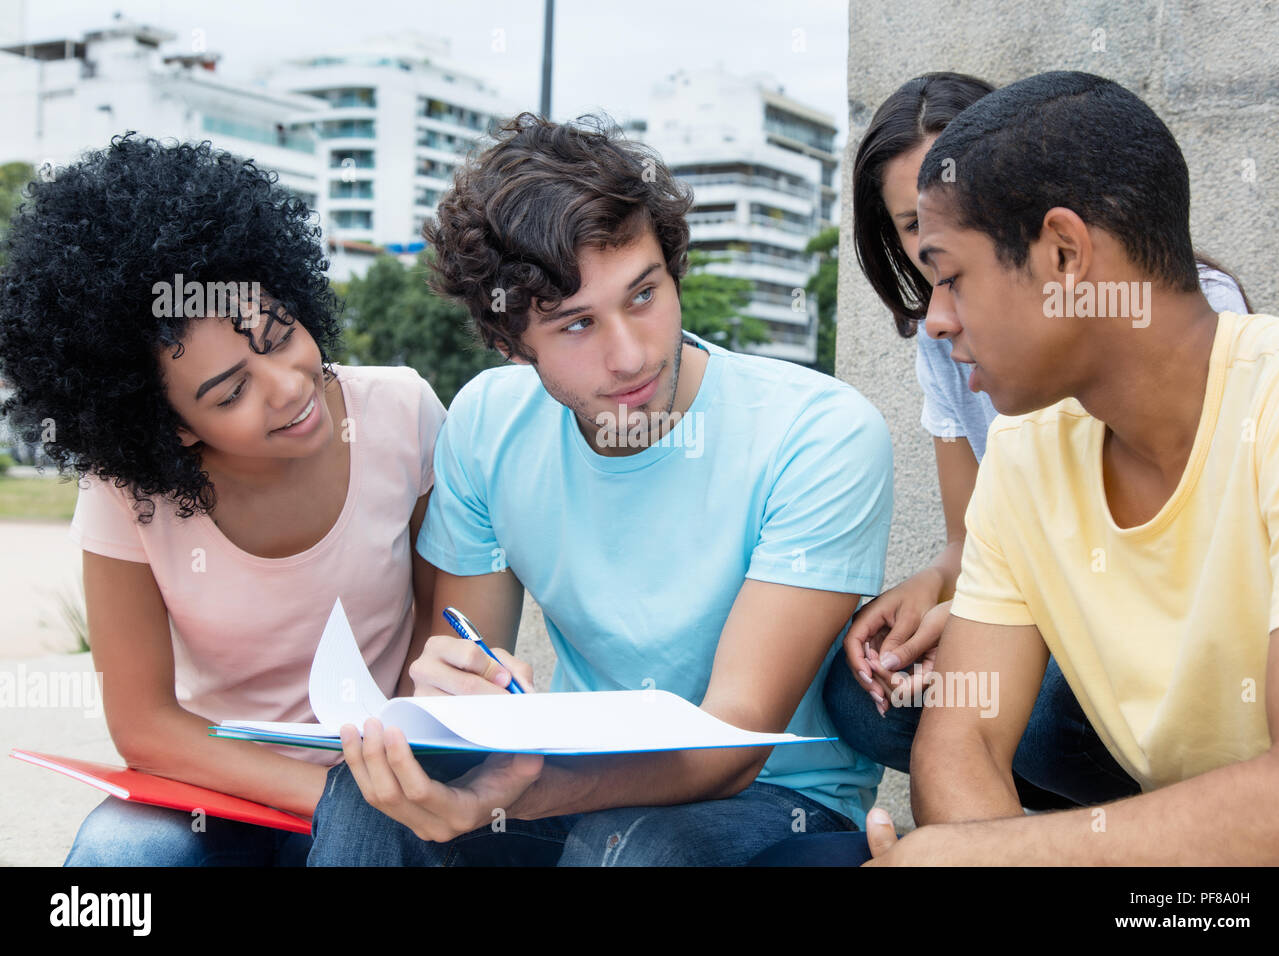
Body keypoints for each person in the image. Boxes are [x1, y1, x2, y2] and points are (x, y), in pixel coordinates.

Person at [304, 113, 895, 867]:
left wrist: (500, 795)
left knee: (631, 847)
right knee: (368, 801)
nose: (630, 356)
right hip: (576, 772)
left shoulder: (820, 433)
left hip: (775, 799)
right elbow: (465, 660)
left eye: (644, 295)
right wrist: (455, 696)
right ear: (511, 343)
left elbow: (732, 744)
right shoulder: (487, 423)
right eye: (577, 325)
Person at [781, 69, 1279, 865]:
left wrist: (991, 855)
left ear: (1064, 253)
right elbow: (964, 744)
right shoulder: (1028, 449)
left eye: (951, 275)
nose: (939, 318)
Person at [0, 134, 446, 865]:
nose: (290, 387)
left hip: (382, 777)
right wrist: (329, 796)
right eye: (231, 392)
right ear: (172, 428)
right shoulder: (125, 489)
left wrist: (379, 777)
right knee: (119, 860)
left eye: (278, 334)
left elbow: (438, 618)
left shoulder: (401, 412)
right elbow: (143, 723)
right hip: (219, 789)